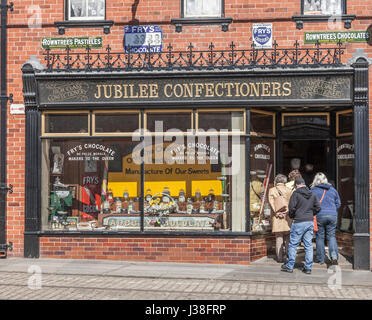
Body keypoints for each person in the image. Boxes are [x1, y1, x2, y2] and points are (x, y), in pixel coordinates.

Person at [281, 177, 321, 274]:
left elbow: (291, 208)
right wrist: (311, 214)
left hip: (298, 221)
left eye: (295, 186)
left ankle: (290, 266)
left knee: (293, 244)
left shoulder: (296, 194)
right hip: (309, 221)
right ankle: (308, 268)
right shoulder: (312, 194)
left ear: (296, 185)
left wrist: (293, 216)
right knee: (308, 245)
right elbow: (318, 207)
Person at [310, 172, 341, 265]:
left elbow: (310, 204)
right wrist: (332, 210)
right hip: (332, 215)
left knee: (320, 237)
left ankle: (321, 258)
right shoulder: (333, 190)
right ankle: (334, 256)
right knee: (331, 236)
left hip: (319, 215)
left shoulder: (313, 190)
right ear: (325, 180)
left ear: (315, 180)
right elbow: (338, 203)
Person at [268, 174, 293, 263]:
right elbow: (292, 204)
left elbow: (271, 203)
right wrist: (286, 212)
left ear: (276, 181)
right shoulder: (289, 190)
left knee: (279, 237)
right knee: (288, 238)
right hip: (287, 217)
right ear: (284, 181)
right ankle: (288, 256)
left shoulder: (272, 190)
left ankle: (279, 258)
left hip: (277, 216)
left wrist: (277, 212)